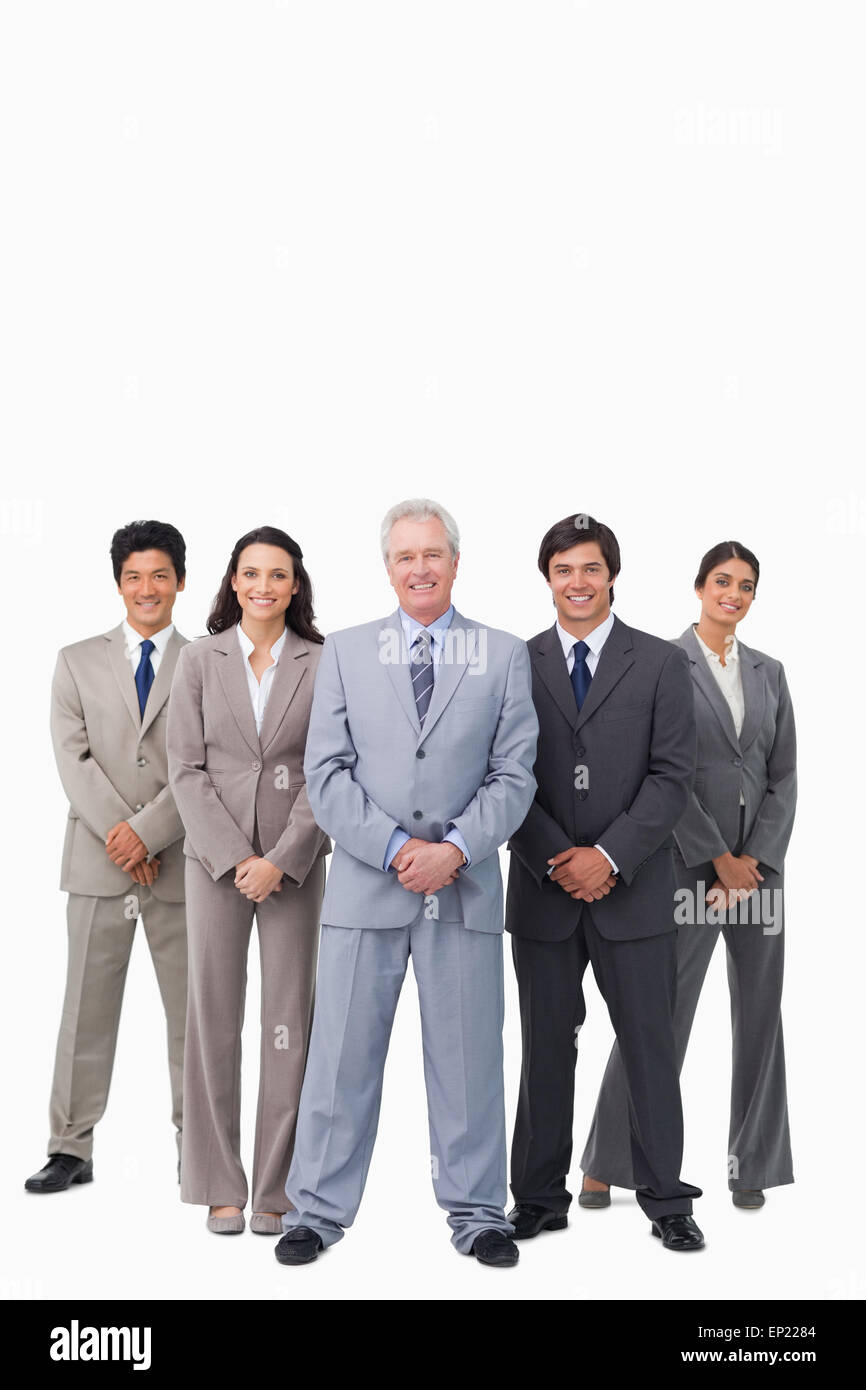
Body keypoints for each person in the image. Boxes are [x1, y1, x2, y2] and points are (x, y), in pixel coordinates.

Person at [274, 498, 538, 1267]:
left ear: (456, 562)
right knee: (340, 1058)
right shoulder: (348, 653)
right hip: (366, 890)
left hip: (464, 893)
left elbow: (514, 775)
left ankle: (478, 1211)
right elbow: (325, 774)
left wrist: (454, 848)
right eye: (404, 556)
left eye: (432, 554)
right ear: (387, 568)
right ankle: (315, 1212)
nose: (419, 568)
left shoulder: (504, 654)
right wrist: (396, 849)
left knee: (468, 1061)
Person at [506, 514, 705, 1251]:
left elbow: (672, 777)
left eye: (591, 568)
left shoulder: (658, 663)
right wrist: (562, 858)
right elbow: (502, 775)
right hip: (542, 891)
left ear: (611, 575)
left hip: (636, 892)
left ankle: (666, 1200)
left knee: (651, 1046)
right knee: (545, 1048)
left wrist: (609, 858)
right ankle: (535, 1197)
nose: (578, 582)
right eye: (564, 570)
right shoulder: (514, 664)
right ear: (548, 579)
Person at [580, 541, 796, 1211]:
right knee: (660, 1014)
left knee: (760, 1015)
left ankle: (751, 1164)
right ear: (700, 587)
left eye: (747, 585)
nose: (735, 592)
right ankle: (608, 1160)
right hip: (688, 870)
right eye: (724, 581)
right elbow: (660, 771)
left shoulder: (770, 672)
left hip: (760, 876)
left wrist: (756, 857)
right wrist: (716, 858)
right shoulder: (664, 665)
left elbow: (783, 775)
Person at [167, 526, 329, 1235]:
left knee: (288, 1021)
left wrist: (283, 855)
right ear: (232, 582)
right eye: (251, 573)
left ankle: (278, 1186)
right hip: (213, 865)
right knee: (214, 1018)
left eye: (278, 575)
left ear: (295, 586)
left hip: (295, 864)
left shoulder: (323, 663)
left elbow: (327, 770)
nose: (264, 586)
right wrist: (236, 858)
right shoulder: (200, 660)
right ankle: (217, 1182)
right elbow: (184, 769)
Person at [25, 520, 190, 1194]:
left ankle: (200, 1143)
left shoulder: (210, 661)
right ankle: (70, 1146)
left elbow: (209, 764)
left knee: (193, 1013)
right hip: (97, 862)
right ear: (117, 582)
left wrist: (149, 834)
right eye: (133, 576)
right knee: (86, 1007)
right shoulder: (76, 660)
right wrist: (124, 835)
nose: (146, 588)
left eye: (159, 574)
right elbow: (73, 758)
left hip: (181, 862)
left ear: (180, 579)